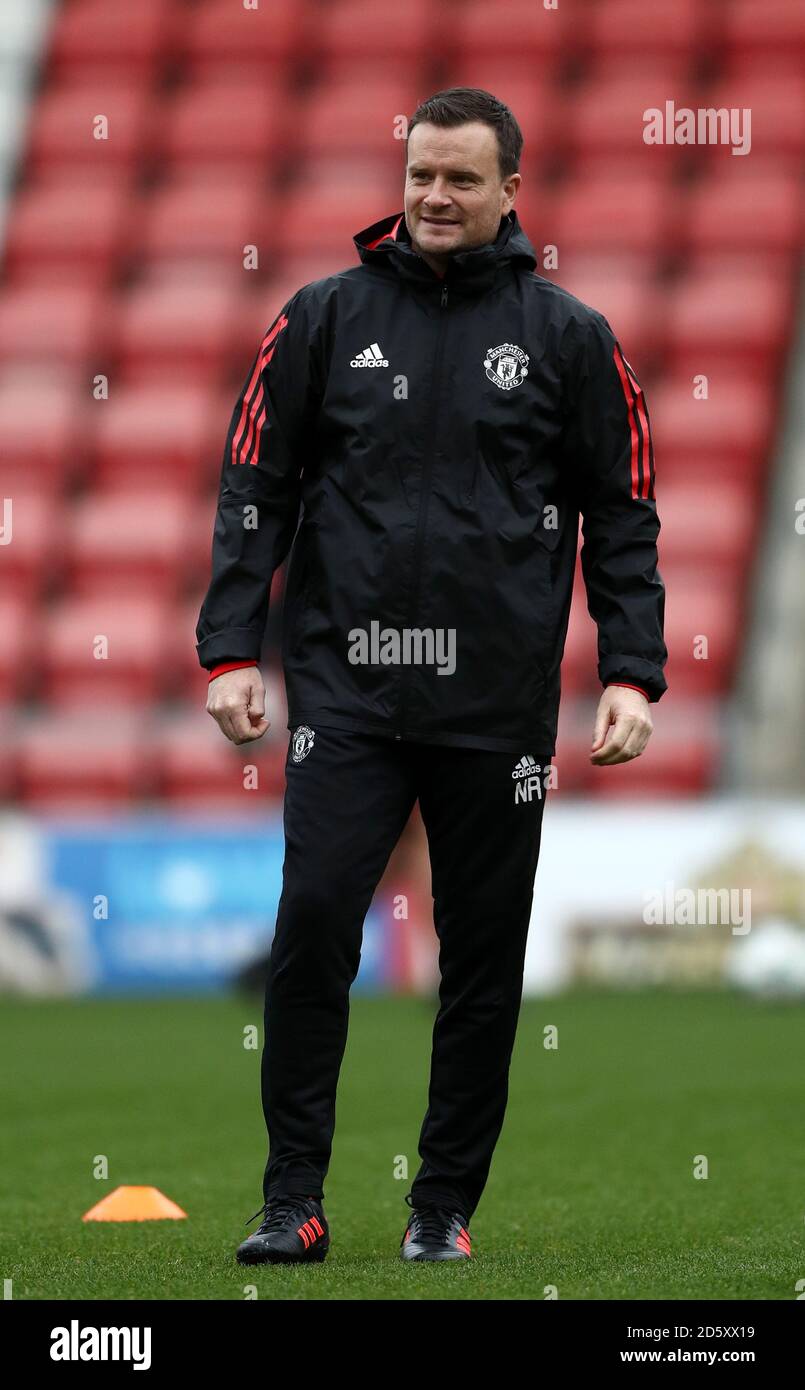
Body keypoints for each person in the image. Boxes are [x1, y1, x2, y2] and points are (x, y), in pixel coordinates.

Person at [196, 88, 667, 1264]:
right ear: (399, 178)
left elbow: (624, 515)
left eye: (461, 178)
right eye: (420, 176)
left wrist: (631, 670)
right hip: (349, 688)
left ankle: (440, 1207)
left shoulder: (570, 336)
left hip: (495, 699)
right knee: (311, 927)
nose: (436, 197)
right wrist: (229, 646)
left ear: (513, 187)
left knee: (481, 959)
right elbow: (255, 481)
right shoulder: (319, 317)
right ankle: (290, 1201)